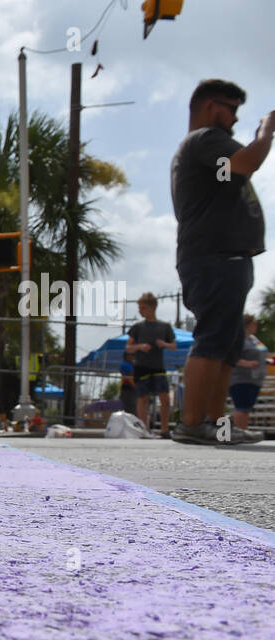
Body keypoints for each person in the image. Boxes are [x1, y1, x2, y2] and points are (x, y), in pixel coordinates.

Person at [170, 78, 271, 445]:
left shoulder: (206, 148)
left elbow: (234, 170)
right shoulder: (205, 140)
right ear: (213, 106)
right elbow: (246, 162)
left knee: (227, 344)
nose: (235, 119)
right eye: (232, 109)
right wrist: (266, 131)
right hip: (212, 257)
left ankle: (216, 425)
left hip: (226, 257)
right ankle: (193, 423)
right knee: (213, 338)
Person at [125, 292, 176, 437]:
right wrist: (140, 347)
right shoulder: (137, 327)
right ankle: (143, 430)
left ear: (153, 307)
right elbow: (128, 348)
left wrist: (164, 344)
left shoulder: (165, 326)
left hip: (158, 366)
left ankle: (165, 430)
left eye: (143, 308)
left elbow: (173, 345)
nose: (140, 311)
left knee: (164, 399)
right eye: (139, 308)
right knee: (143, 398)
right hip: (141, 366)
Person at [229, 314, 268, 434]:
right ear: (247, 325)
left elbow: (261, 354)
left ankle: (243, 431)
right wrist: (247, 363)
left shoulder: (254, 340)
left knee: (246, 408)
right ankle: (239, 432)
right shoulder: (238, 339)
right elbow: (230, 356)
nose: (256, 326)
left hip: (255, 379)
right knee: (242, 407)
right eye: (254, 323)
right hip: (241, 379)